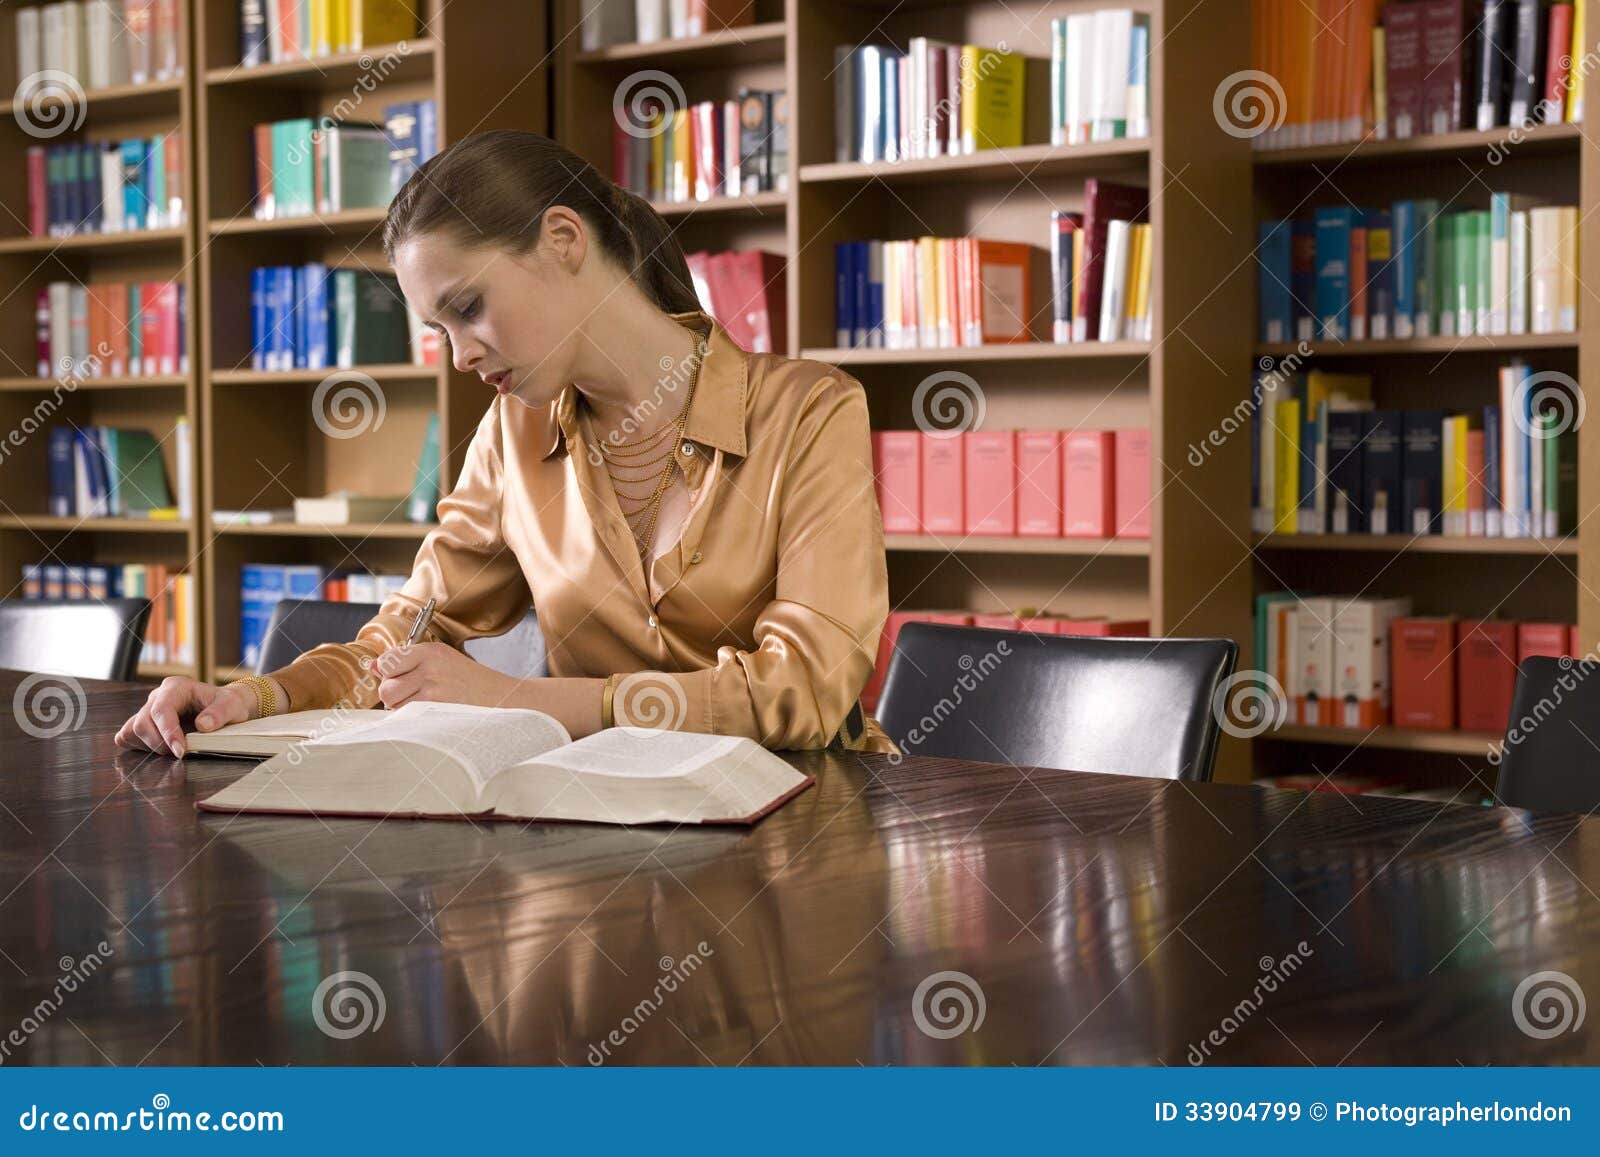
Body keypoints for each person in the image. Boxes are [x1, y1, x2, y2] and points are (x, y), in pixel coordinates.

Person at [115, 129, 895, 757]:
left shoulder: (810, 411)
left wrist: (523, 699)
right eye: (440, 330)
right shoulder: (511, 434)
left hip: (802, 829)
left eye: (469, 308)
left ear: (562, 238)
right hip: (603, 828)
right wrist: (252, 697)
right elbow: (407, 634)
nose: (460, 356)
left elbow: (807, 689)